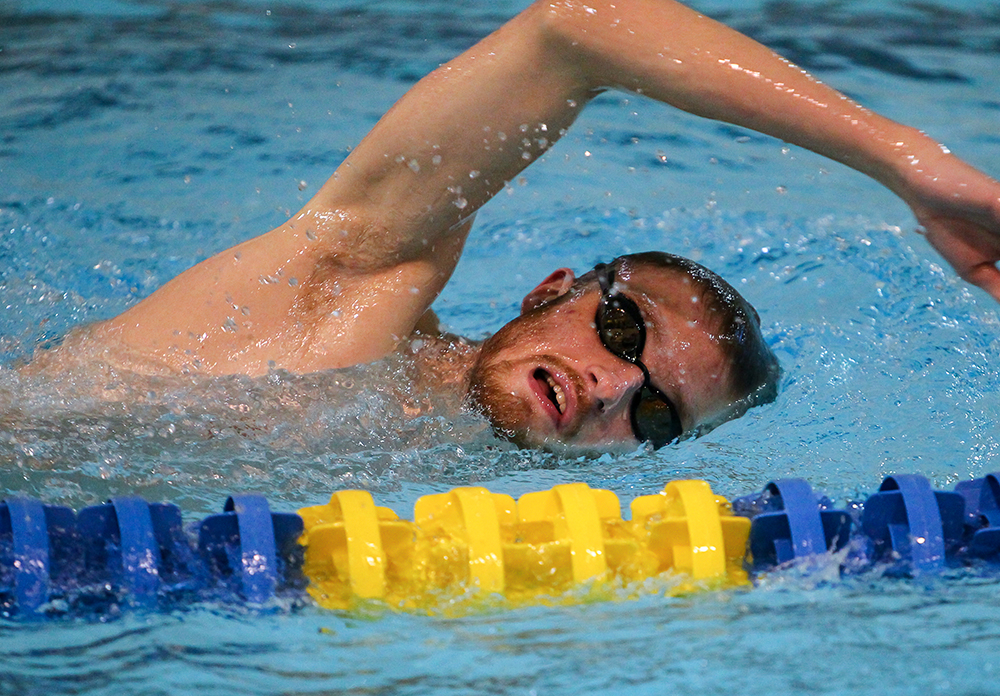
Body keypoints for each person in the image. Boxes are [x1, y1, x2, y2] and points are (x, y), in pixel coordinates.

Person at [35, 0, 1000, 452]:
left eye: (656, 415)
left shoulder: (469, 502)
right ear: (549, 292)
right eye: (624, 331)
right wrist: (907, 163)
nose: (616, 386)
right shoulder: (339, 303)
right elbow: (575, 33)